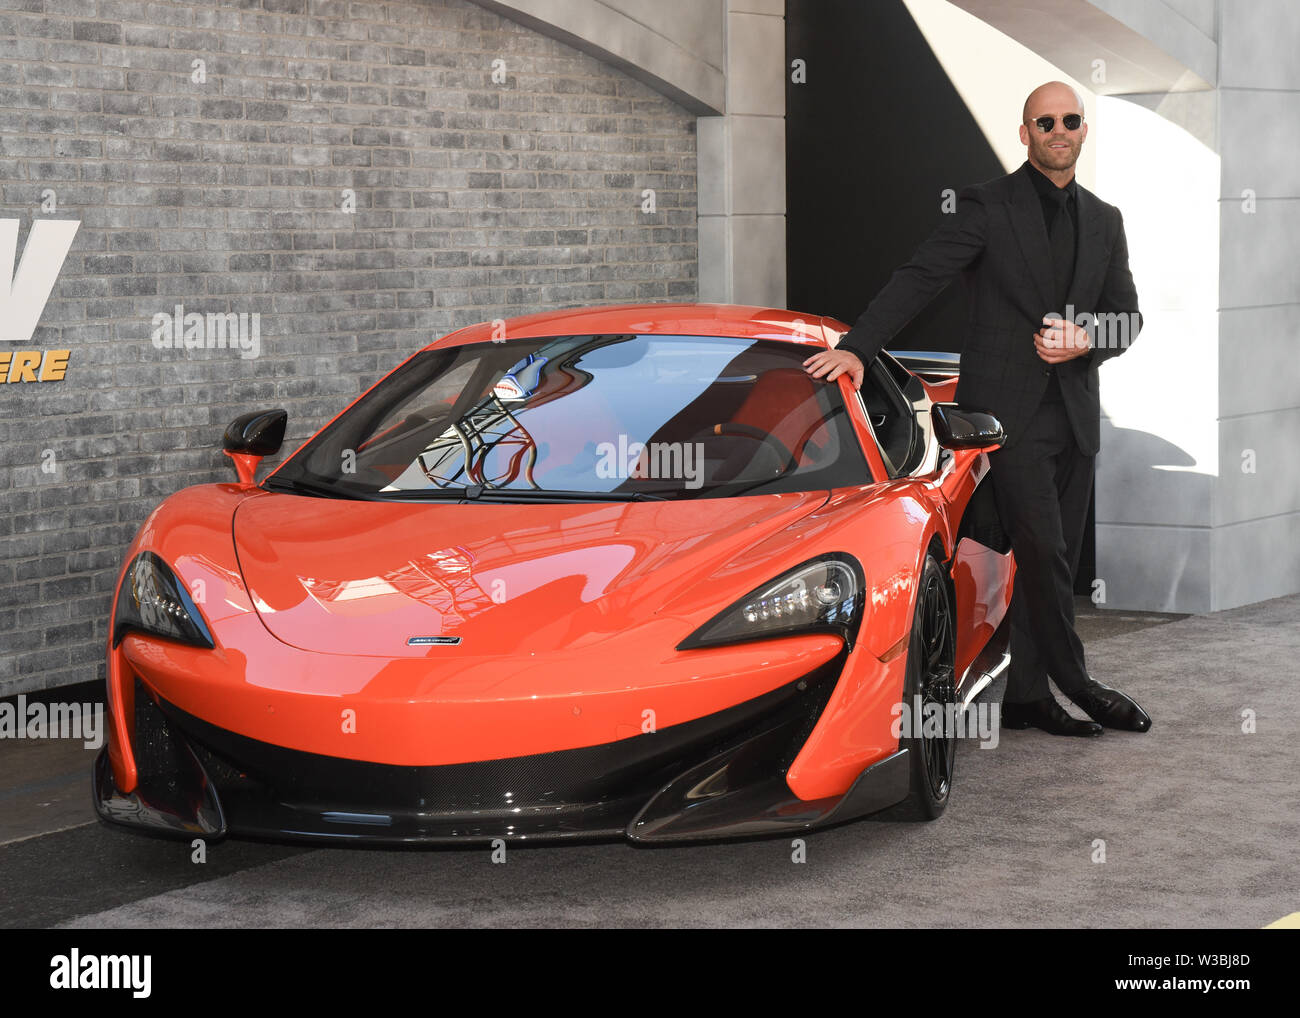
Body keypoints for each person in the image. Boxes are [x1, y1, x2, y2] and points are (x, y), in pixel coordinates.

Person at [803, 81, 1151, 737]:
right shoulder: (988, 207)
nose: (1058, 129)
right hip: (1004, 418)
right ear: (1026, 134)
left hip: (1073, 416)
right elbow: (920, 276)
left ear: (1082, 130)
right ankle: (1077, 682)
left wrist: (1088, 337)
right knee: (1045, 551)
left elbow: (1128, 319)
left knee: (1047, 559)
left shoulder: (1106, 220)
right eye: (1043, 121)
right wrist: (857, 347)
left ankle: (1024, 697)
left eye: (1069, 119)